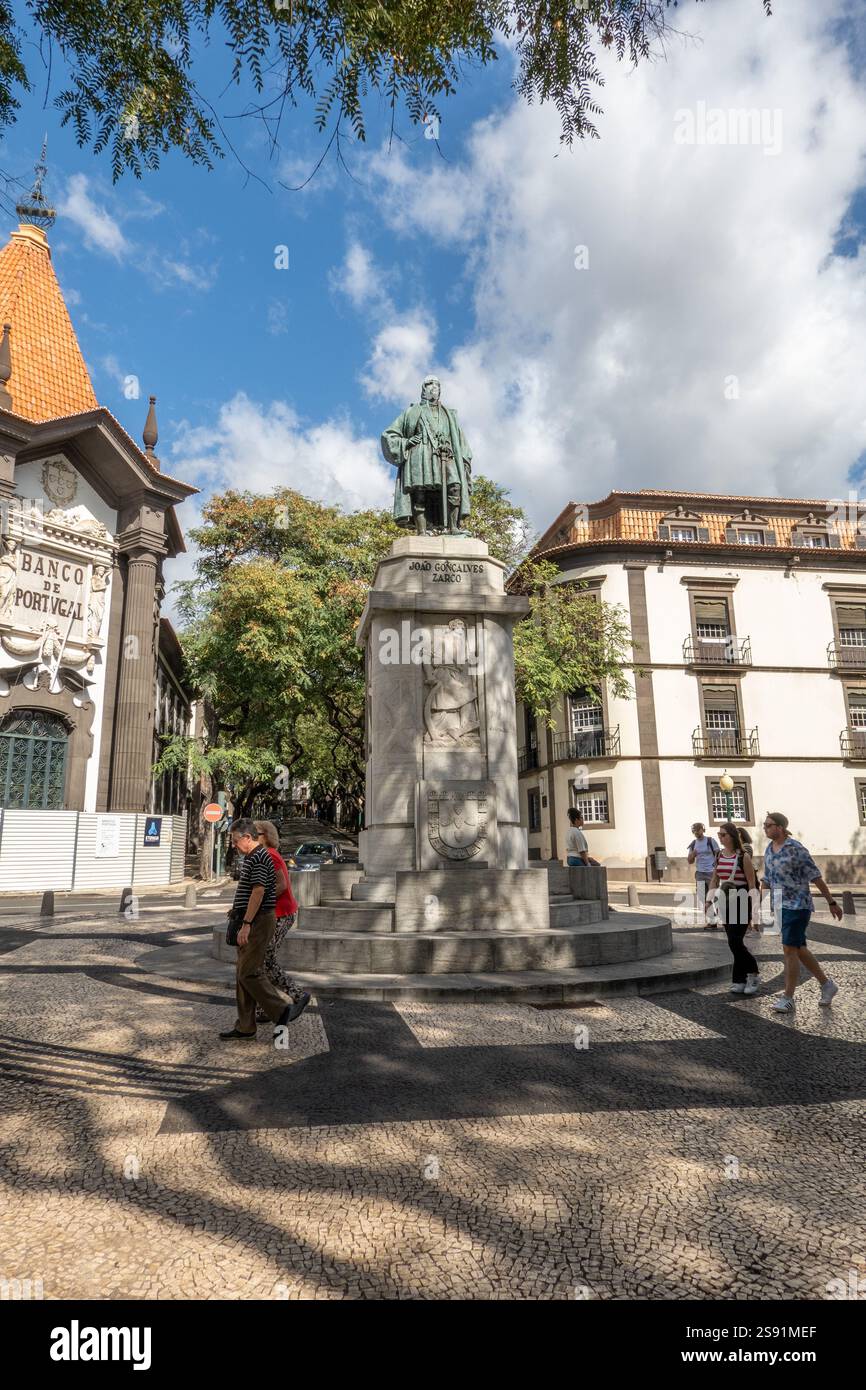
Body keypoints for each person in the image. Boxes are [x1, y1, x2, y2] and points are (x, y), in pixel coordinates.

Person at [219, 818, 310, 1041]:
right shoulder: (255, 857)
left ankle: (280, 1009)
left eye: (235, 840)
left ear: (248, 838)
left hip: (260, 920)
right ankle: (246, 1025)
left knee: (250, 971)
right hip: (256, 918)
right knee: (243, 972)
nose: (233, 844)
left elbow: (260, 891)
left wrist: (247, 923)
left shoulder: (261, 856)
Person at [760, 811, 842, 1013]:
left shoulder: (796, 849)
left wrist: (831, 901)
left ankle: (788, 997)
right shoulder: (769, 849)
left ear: (780, 827)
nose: (765, 828)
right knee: (798, 948)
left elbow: (815, 876)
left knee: (789, 949)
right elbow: (767, 879)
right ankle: (827, 985)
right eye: (764, 825)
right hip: (780, 905)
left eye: (769, 825)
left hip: (798, 905)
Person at [253, 820, 303, 1024]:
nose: (251, 836)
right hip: (278, 914)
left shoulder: (270, 855)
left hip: (281, 914)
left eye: (254, 833)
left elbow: (281, 884)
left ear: (264, 835)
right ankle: (267, 1007)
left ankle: (297, 994)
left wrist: (259, 905)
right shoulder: (266, 855)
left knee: (265, 958)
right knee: (262, 961)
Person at [708, 822, 761, 995]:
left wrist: (755, 911)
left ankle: (753, 972)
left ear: (731, 836)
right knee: (732, 940)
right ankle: (739, 979)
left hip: (742, 898)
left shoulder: (743, 856)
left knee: (735, 941)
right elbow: (715, 879)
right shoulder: (718, 855)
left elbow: (752, 884)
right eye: (719, 834)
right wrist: (709, 901)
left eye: (723, 835)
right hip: (725, 899)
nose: (720, 837)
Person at [687, 822, 719, 927]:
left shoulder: (710, 841)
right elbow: (690, 861)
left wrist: (716, 868)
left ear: (703, 829)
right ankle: (712, 921)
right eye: (694, 830)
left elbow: (718, 855)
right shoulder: (693, 844)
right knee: (702, 898)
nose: (696, 832)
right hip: (700, 873)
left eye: (698, 829)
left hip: (711, 873)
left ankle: (724, 918)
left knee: (715, 897)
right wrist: (693, 854)